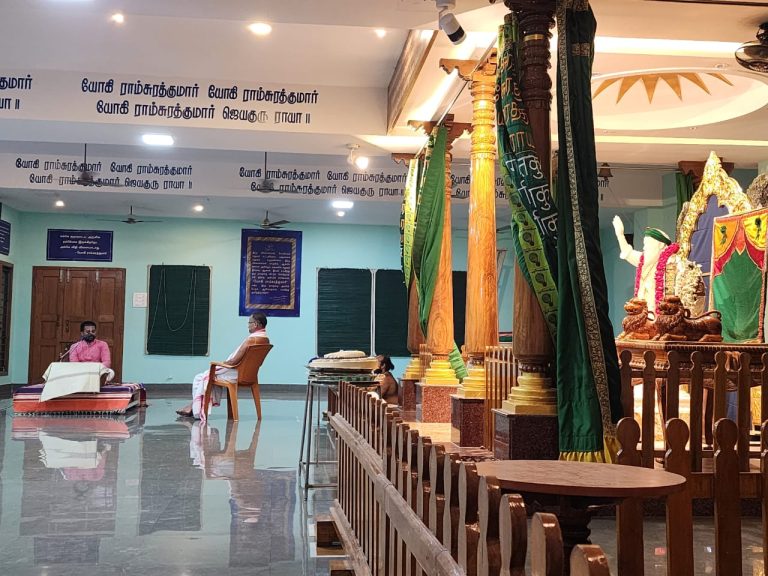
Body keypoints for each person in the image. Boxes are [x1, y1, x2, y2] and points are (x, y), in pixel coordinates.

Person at [176, 313, 269, 420]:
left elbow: (234, 361)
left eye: (249, 323)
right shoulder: (265, 340)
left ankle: (196, 410)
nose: (248, 325)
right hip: (249, 376)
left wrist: (222, 364)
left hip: (235, 374)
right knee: (206, 376)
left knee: (201, 377)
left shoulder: (252, 340)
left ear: (256, 324)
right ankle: (192, 406)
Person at [612, 215, 677, 314]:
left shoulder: (672, 263)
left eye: (647, 245)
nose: (644, 248)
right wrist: (620, 235)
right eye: (644, 245)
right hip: (645, 313)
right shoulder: (644, 260)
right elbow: (628, 253)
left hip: (663, 315)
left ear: (660, 245)